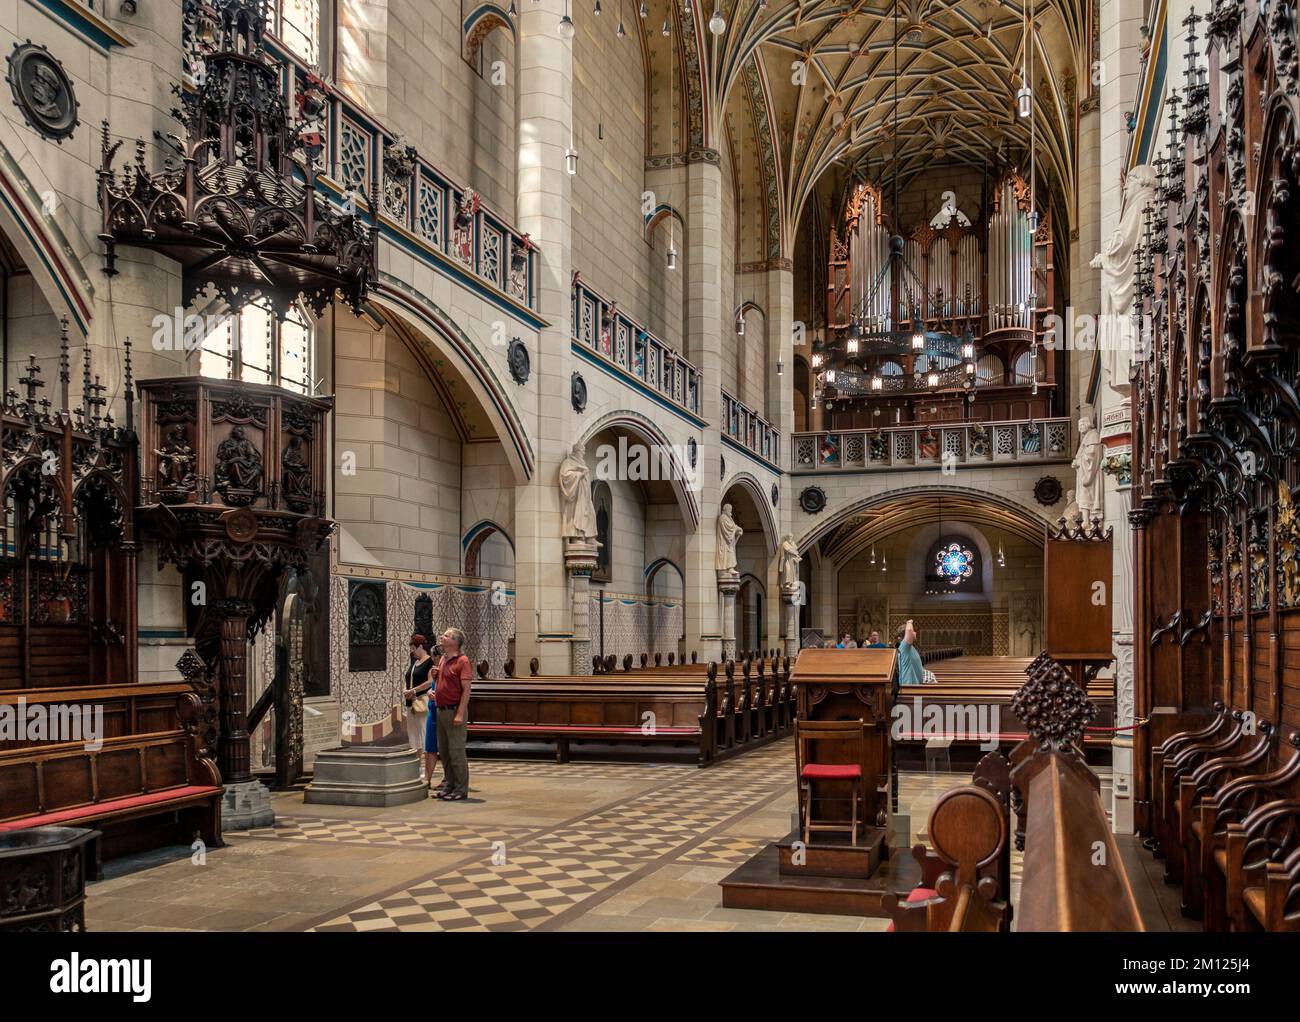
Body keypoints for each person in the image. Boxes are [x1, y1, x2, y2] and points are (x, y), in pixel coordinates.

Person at [433, 626, 473, 801]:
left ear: (455, 642)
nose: (442, 637)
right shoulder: (443, 659)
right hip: (441, 710)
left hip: (454, 710)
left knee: (456, 751)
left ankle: (460, 789)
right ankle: (449, 784)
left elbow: (466, 690)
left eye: (447, 636)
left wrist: (460, 713)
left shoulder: (462, 661)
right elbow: (445, 684)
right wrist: (435, 676)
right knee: (445, 751)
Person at [402, 634, 439, 789]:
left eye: (413, 649)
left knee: (424, 737)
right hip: (411, 703)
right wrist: (407, 691)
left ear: (420, 647)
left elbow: (430, 682)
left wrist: (413, 690)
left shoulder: (430, 662)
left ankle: (426, 770)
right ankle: (415, 768)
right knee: (414, 739)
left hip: (423, 702)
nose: (412, 652)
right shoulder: (415, 662)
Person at [896, 619, 935, 685]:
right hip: (908, 687)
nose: (915, 633)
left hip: (915, 686)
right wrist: (909, 622)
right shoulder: (904, 646)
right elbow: (909, 630)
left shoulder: (910, 647)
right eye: (914, 631)